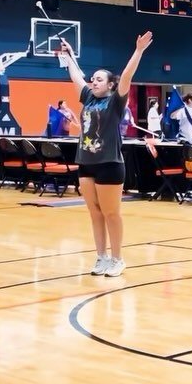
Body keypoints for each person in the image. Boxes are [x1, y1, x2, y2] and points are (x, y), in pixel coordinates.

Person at [57, 31, 152, 277]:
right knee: (95, 213)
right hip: (86, 163)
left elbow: (128, 76)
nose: (94, 81)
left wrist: (138, 50)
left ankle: (118, 258)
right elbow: (77, 76)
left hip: (109, 163)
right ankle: (101, 257)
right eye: (93, 79)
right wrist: (69, 56)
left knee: (111, 213)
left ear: (111, 84)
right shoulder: (88, 97)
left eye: (99, 79)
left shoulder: (115, 101)